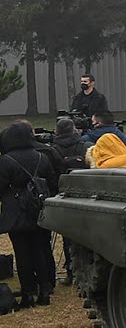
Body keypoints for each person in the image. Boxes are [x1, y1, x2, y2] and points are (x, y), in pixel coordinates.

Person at [0, 120, 59, 306]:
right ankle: (45, 289)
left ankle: (28, 293)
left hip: (16, 211)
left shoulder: (6, 161)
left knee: (22, 253)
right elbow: (51, 182)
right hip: (39, 209)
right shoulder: (42, 157)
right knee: (40, 250)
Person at [48, 118, 88, 283]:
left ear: (56, 132)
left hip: (63, 195)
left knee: (68, 236)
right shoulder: (86, 146)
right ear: (75, 130)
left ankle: (72, 272)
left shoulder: (52, 151)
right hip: (86, 195)